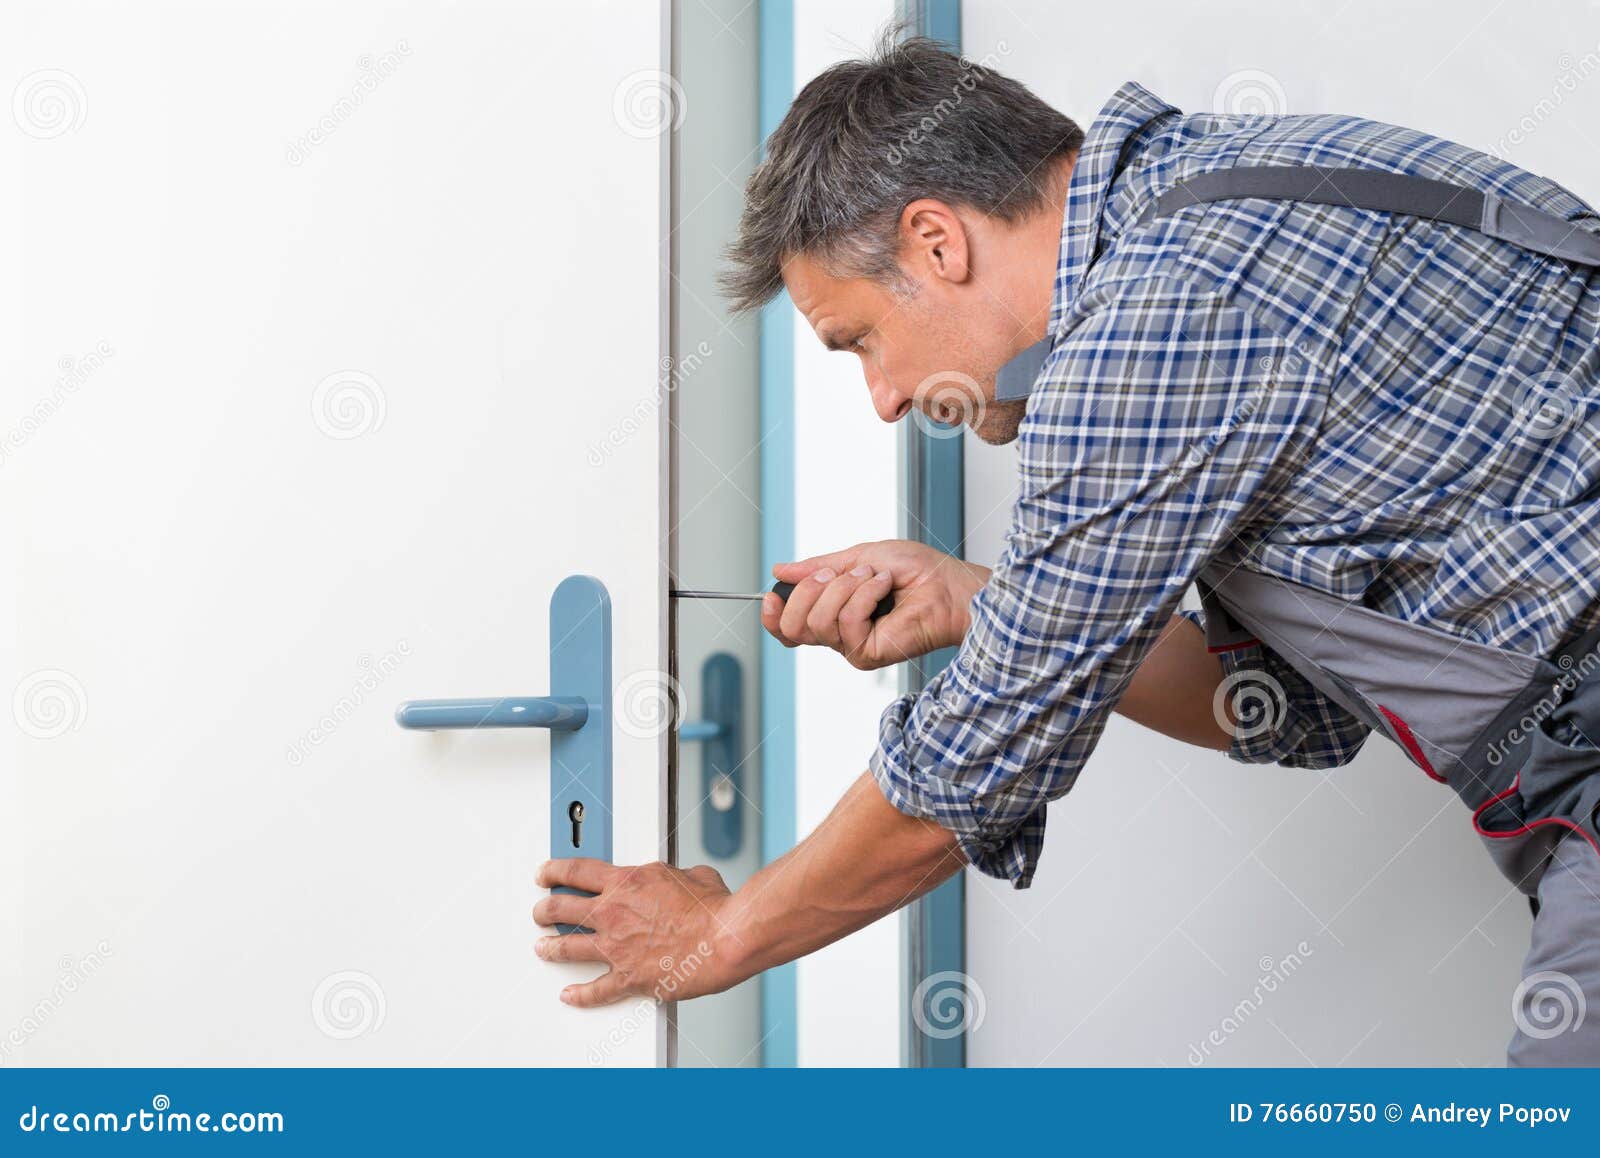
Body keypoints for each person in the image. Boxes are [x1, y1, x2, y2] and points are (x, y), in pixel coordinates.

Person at [535, 34, 1600, 1065]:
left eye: (858, 340)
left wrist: (717, 938)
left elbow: (977, 758)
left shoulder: (1149, 328)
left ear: (936, 242)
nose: (885, 398)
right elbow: (1289, 710)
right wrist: (983, 603)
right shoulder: (1236, 186)